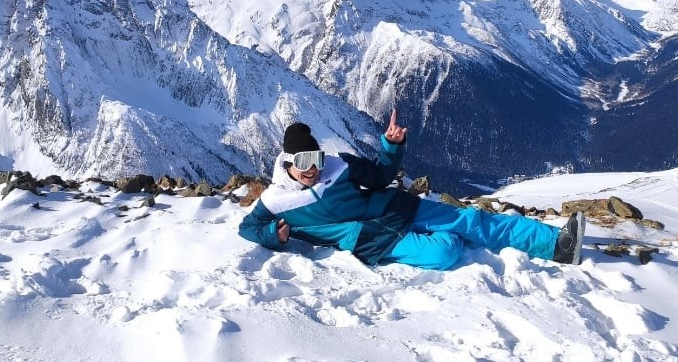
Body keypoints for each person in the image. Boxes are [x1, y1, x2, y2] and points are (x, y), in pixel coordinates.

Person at [238, 110, 585, 270]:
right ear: (287, 163)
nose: (312, 167)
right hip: (372, 239)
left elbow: (381, 174)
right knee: (444, 254)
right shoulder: (276, 201)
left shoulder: (339, 165)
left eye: (315, 156)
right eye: (303, 161)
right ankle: (451, 236)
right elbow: (247, 227)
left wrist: (391, 146)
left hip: (397, 207)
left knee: (471, 219)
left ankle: (556, 245)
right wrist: (274, 235)